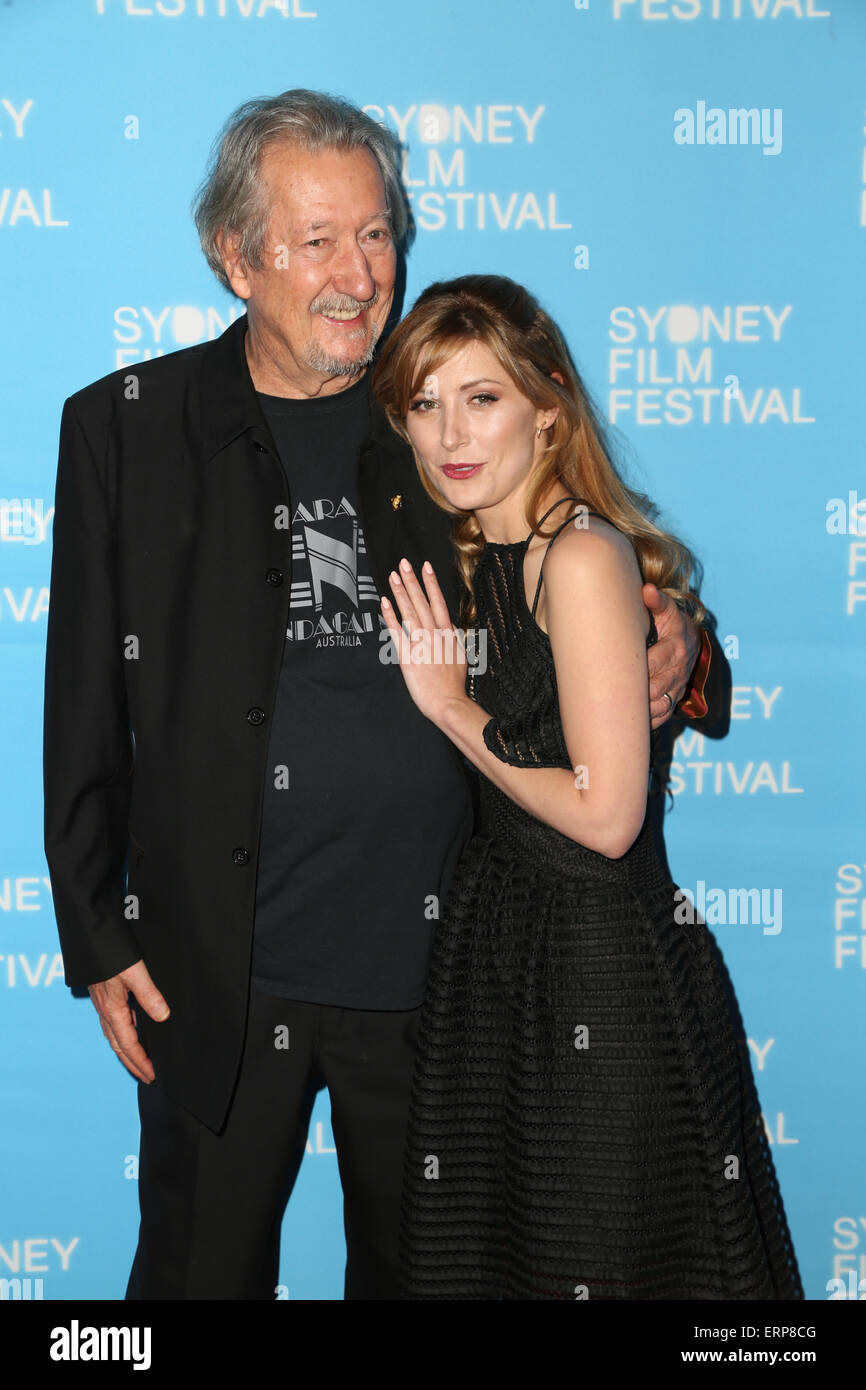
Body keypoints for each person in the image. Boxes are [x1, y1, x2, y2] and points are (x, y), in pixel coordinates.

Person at [43, 92, 718, 1302]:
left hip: (441, 974)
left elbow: (579, 546)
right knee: (196, 1282)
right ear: (234, 257)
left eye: (375, 234)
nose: (358, 275)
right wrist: (96, 935)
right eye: (316, 242)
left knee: (428, 1283)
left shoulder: (429, 404)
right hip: (218, 967)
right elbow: (82, 700)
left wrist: (676, 639)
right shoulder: (125, 433)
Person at [373, 273, 803, 1300]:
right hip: (502, 963)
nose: (446, 433)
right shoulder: (486, 549)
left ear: (548, 407)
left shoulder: (578, 557)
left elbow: (606, 817)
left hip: (596, 972)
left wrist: (448, 707)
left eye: (481, 398)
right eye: (424, 403)